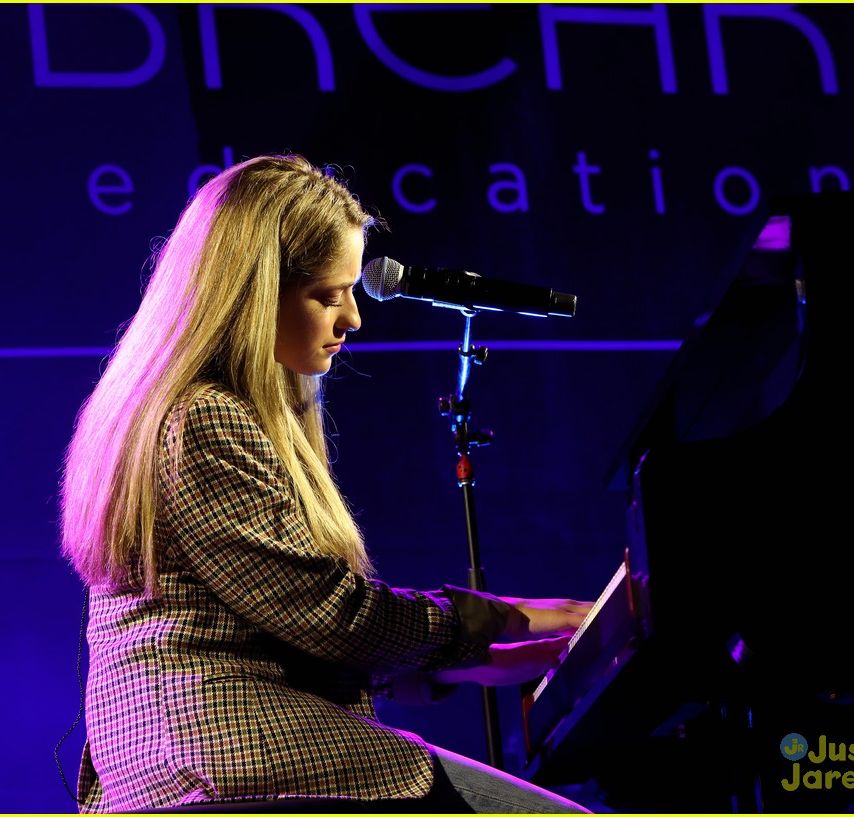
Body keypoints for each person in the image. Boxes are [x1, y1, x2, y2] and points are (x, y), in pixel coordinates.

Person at [59, 154, 596, 813]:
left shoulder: (178, 412)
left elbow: (274, 630)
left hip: (193, 761)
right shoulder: (202, 419)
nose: (353, 319)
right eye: (327, 294)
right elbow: (333, 616)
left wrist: (462, 657)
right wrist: (506, 618)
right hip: (221, 764)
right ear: (255, 293)